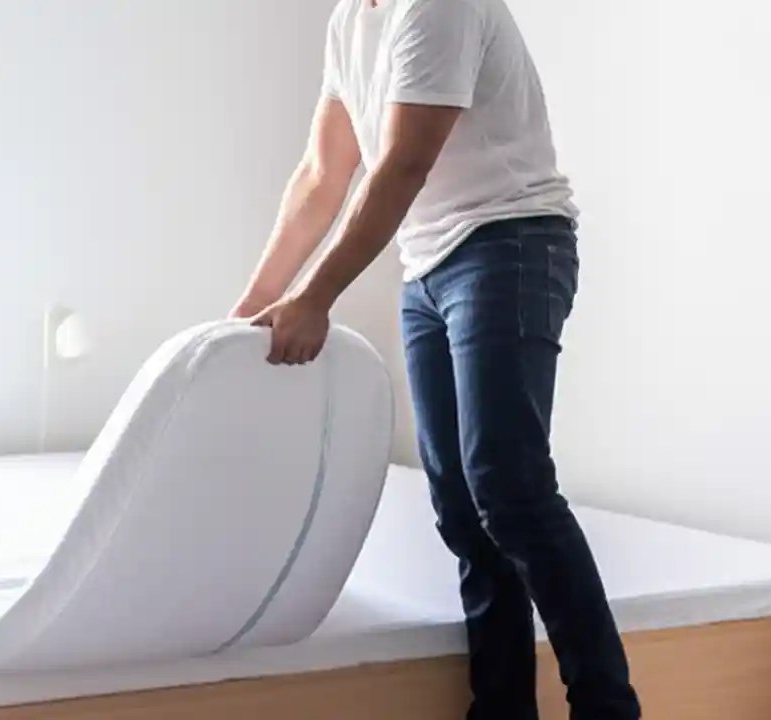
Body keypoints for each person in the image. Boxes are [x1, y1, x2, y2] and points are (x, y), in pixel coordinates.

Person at [230, 0, 642, 718]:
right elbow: (324, 172)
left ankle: (608, 707)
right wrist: (254, 304)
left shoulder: (439, 5)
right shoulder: (350, 20)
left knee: (508, 487)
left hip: (508, 243)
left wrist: (317, 297)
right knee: (460, 507)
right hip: (427, 266)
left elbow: (402, 165)